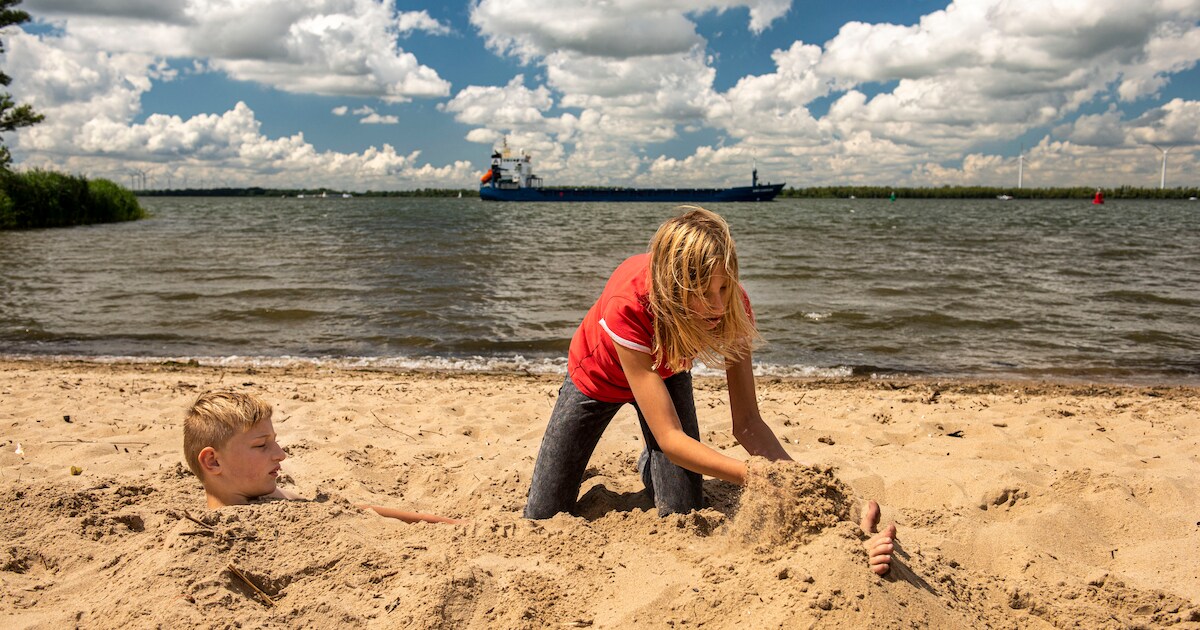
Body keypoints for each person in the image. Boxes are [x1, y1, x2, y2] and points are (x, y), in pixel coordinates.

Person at [523, 206, 896, 575]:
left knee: (682, 508)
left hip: (666, 371)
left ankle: (647, 463)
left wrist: (805, 485)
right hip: (597, 378)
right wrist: (755, 475)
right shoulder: (629, 304)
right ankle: (648, 458)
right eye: (703, 292)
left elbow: (748, 423)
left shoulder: (733, 304)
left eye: (724, 286)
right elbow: (670, 438)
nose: (718, 305)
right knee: (543, 513)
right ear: (674, 288)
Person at [183, 390, 459, 524]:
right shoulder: (235, 525)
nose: (281, 454)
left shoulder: (261, 493)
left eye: (275, 442)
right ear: (213, 462)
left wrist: (436, 520)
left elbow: (354, 508)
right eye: (261, 445)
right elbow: (352, 512)